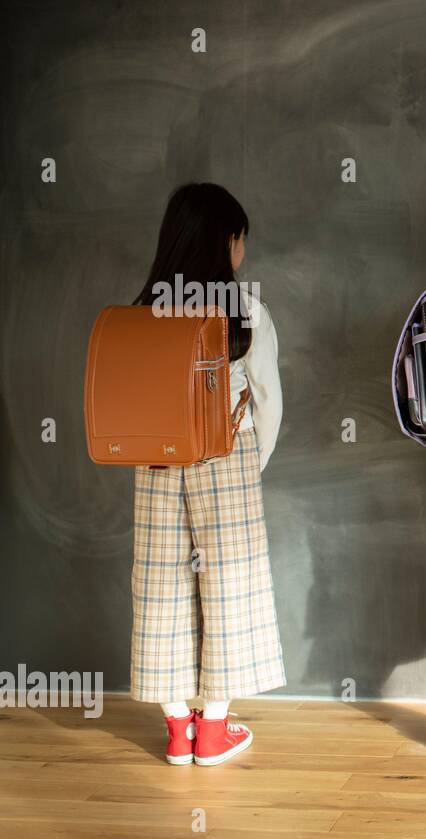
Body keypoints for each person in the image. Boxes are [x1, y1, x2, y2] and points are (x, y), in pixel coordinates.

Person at [129, 182, 285, 766]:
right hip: (227, 457)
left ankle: (177, 729)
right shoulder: (246, 310)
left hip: (155, 461)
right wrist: (253, 462)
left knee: (161, 587)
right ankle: (215, 729)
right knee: (229, 586)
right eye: (240, 239)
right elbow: (267, 400)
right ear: (228, 242)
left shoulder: (144, 310)